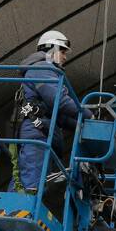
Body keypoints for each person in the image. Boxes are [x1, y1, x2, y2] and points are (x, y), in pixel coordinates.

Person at [12, 29, 92, 193]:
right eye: (62, 51)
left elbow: (59, 115)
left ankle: (13, 211)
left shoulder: (45, 71)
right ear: (51, 49)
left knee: (31, 181)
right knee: (31, 185)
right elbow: (60, 101)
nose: (65, 57)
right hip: (37, 133)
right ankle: (17, 213)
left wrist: (82, 125)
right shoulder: (42, 68)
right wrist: (88, 114)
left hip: (41, 132)